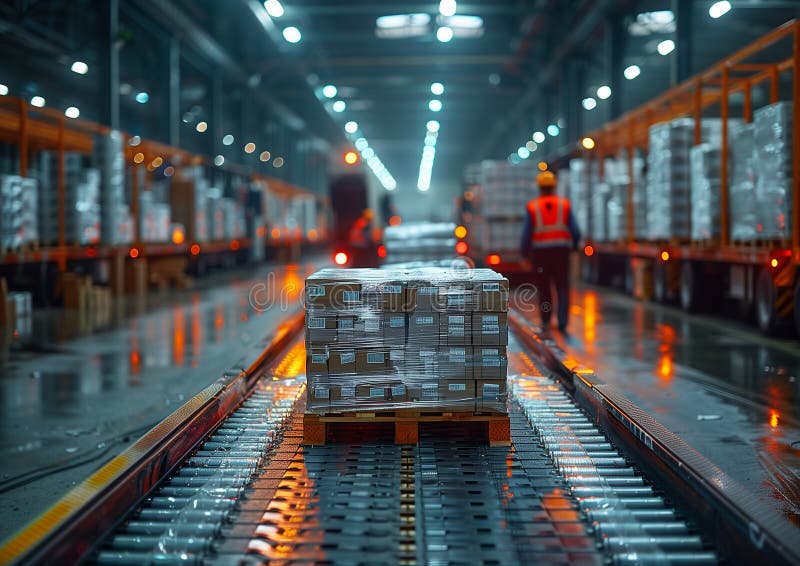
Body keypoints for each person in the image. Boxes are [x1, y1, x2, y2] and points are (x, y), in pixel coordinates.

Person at [520, 170, 581, 333]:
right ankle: (562, 322)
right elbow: (575, 231)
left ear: (539, 188)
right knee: (562, 286)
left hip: (541, 254)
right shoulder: (564, 205)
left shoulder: (533, 207)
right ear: (554, 187)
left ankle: (546, 320)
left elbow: (526, 234)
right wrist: (574, 246)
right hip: (561, 252)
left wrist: (524, 254)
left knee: (544, 288)